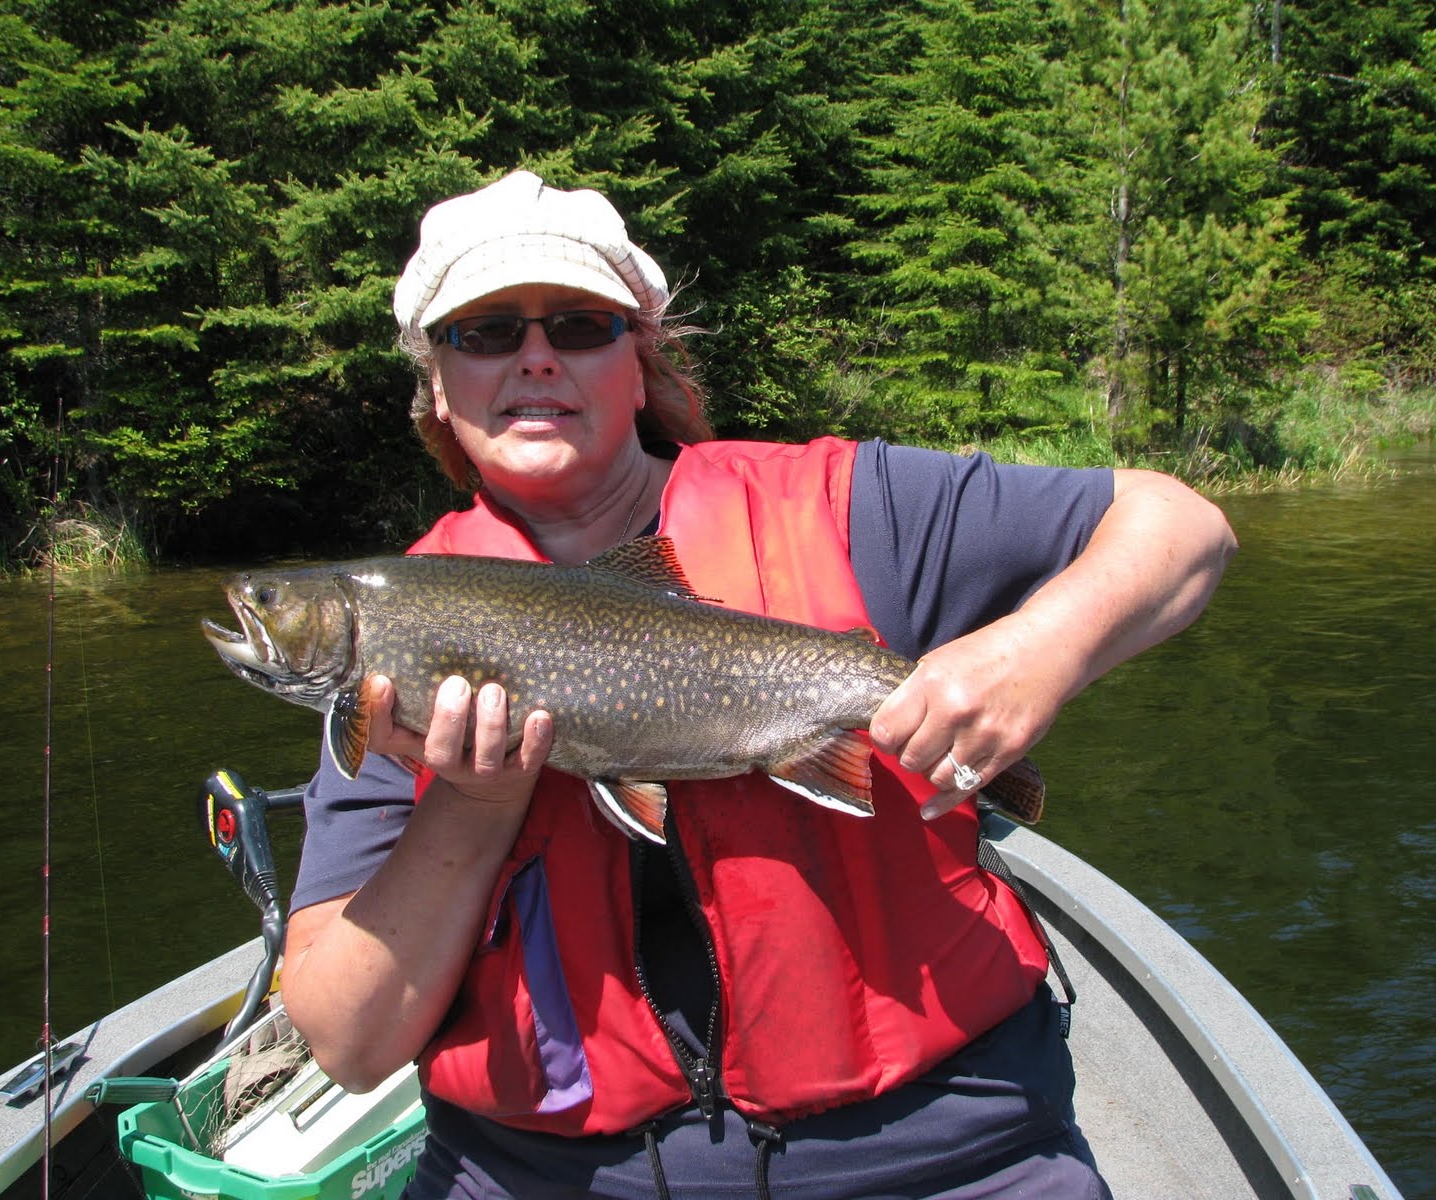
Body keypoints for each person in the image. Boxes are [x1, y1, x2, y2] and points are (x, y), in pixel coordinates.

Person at [280, 169, 1237, 1200]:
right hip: (542, 1177)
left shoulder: (847, 504)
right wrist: (473, 802)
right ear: (436, 382)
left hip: (939, 1155)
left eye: (580, 324)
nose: (536, 358)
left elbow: (1181, 528)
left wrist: (1036, 650)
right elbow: (349, 1044)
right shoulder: (410, 622)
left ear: (639, 359)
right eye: (484, 333)